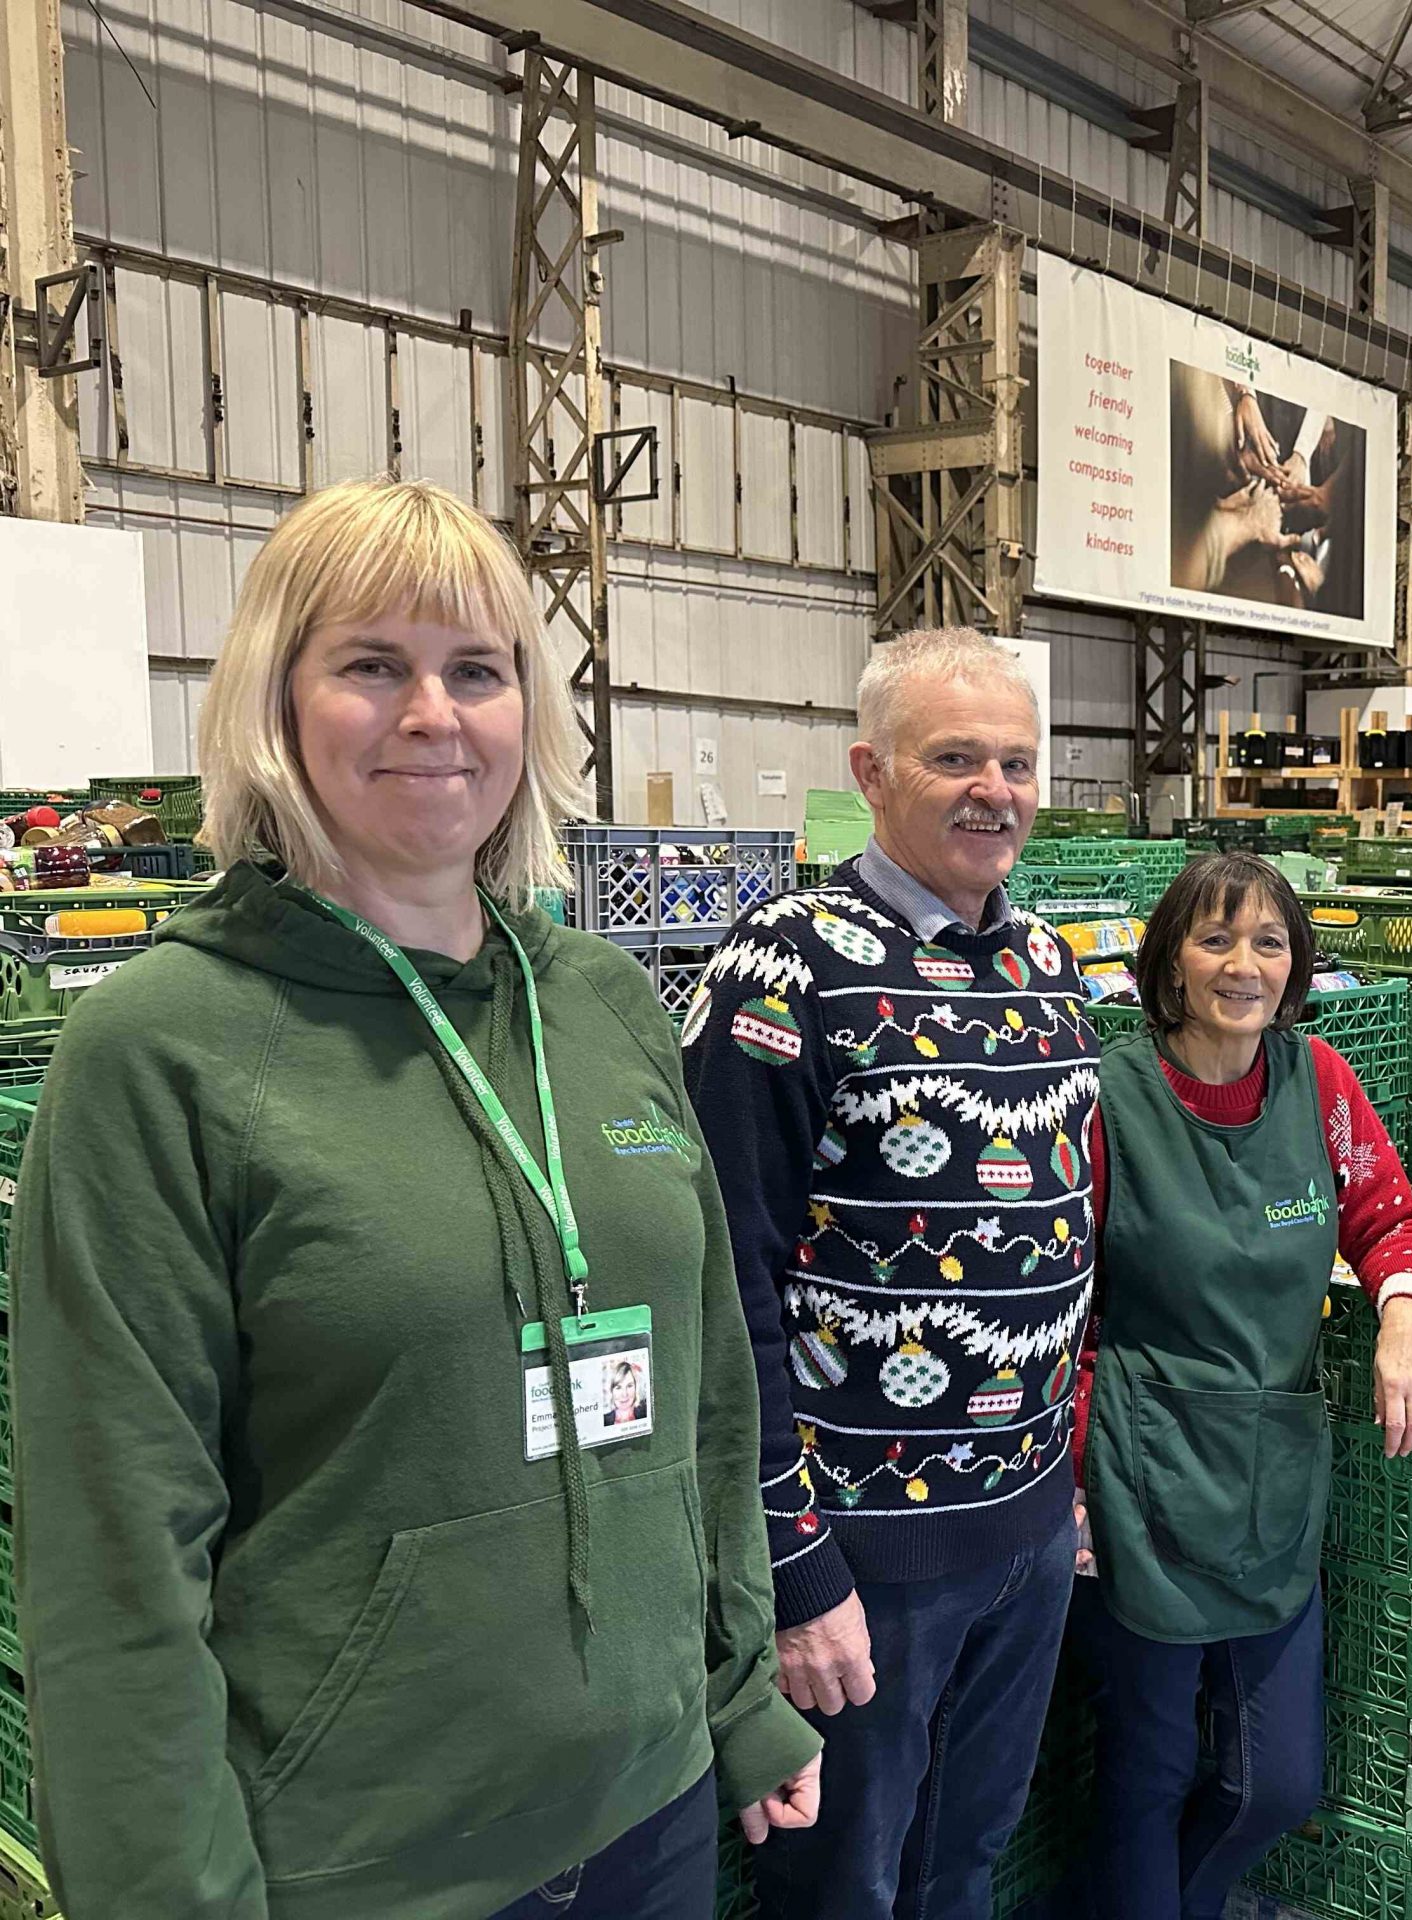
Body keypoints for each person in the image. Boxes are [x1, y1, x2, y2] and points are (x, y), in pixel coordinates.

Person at [13, 476, 821, 1920]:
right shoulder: (162, 1048)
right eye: (373, 665)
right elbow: (117, 1545)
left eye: (477, 670)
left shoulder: (606, 1004)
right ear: (278, 700)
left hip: (650, 1813)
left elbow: (705, 1397)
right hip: (365, 1865)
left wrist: (738, 1687)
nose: (433, 715)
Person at [684, 627, 1096, 1920]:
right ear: (870, 772)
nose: (994, 790)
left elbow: (1066, 1244)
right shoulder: (782, 968)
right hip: (866, 1553)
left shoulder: (1047, 967)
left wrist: (1061, 1487)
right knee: (846, 1889)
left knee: (966, 1862)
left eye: (1016, 762)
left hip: (1028, 1531)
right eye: (955, 759)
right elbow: (722, 1290)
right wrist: (795, 1567)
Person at [1076, 853, 1412, 1920]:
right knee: (1148, 1772)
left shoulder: (1317, 1082)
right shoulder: (1110, 1097)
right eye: (1216, 939)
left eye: (1269, 943)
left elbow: (1389, 1217)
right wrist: (1073, 1477)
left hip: (1272, 1475)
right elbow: (1062, 1299)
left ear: (1295, 966)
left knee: (1277, 1784)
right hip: (1139, 1477)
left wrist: (1405, 1320)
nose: (1244, 965)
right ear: (1170, 963)